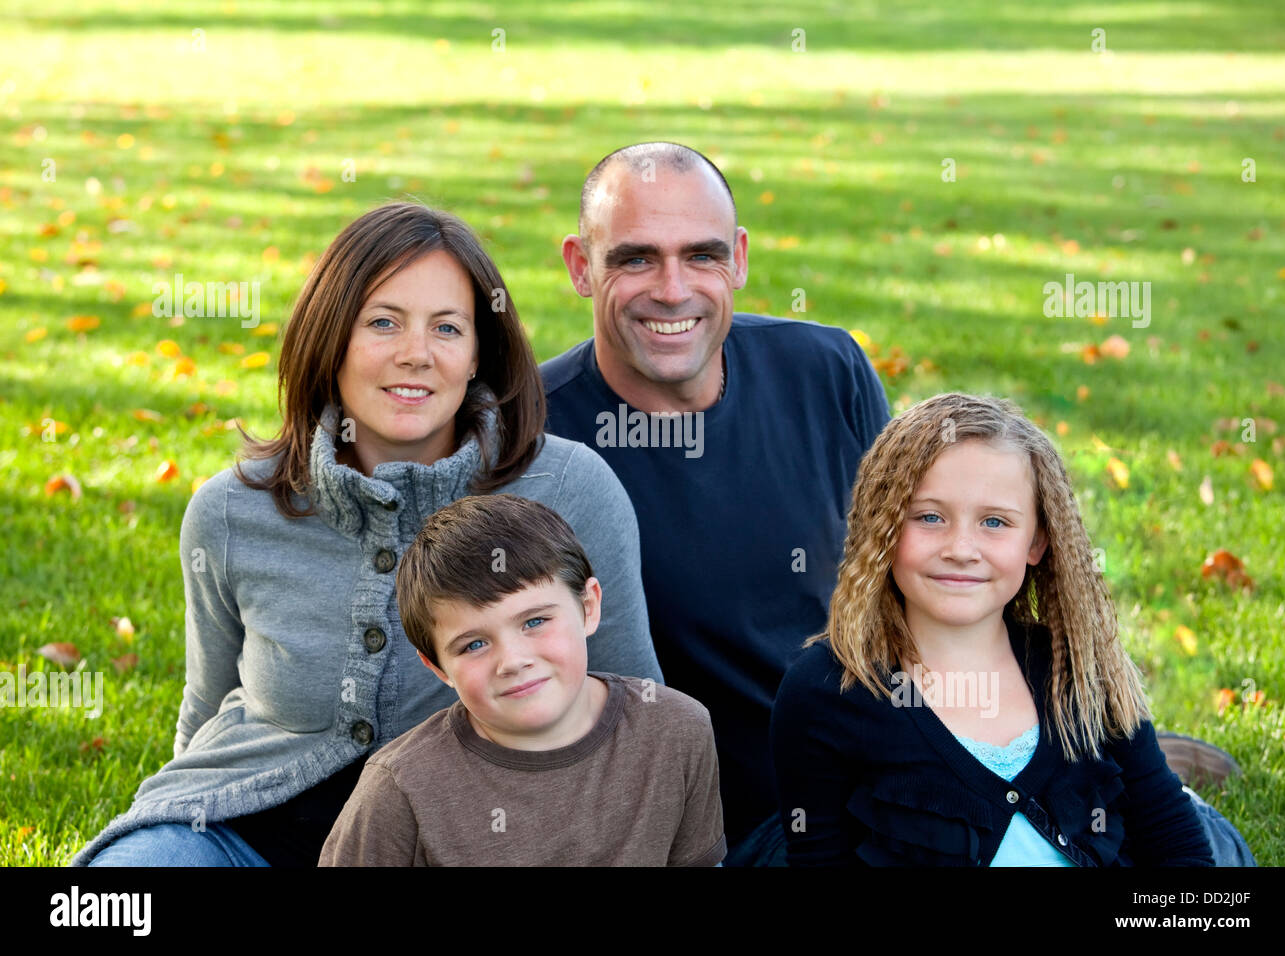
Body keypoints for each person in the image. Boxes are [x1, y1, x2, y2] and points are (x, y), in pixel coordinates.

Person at [73, 202, 661, 867]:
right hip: (245, 837)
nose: (416, 355)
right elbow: (207, 711)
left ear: (476, 355)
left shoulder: (570, 487)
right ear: (332, 341)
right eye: (383, 323)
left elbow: (636, 715)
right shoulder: (232, 511)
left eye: (447, 327)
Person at [541, 141, 892, 864]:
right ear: (581, 266)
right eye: (635, 259)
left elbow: (915, 588)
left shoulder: (827, 370)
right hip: (734, 835)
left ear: (738, 258)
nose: (673, 290)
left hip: (889, 778)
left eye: (701, 256)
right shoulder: (533, 437)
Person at [770, 392, 1255, 866]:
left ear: (1037, 541)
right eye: (929, 516)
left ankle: (1187, 787)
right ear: (884, 528)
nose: (961, 547)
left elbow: (1177, 846)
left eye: (995, 522)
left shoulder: (1082, 670)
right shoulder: (826, 692)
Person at [319, 494, 726, 866]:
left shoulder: (678, 731)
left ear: (588, 607)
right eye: (474, 644)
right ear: (438, 668)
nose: (512, 661)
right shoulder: (399, 790)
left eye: (535, 621)